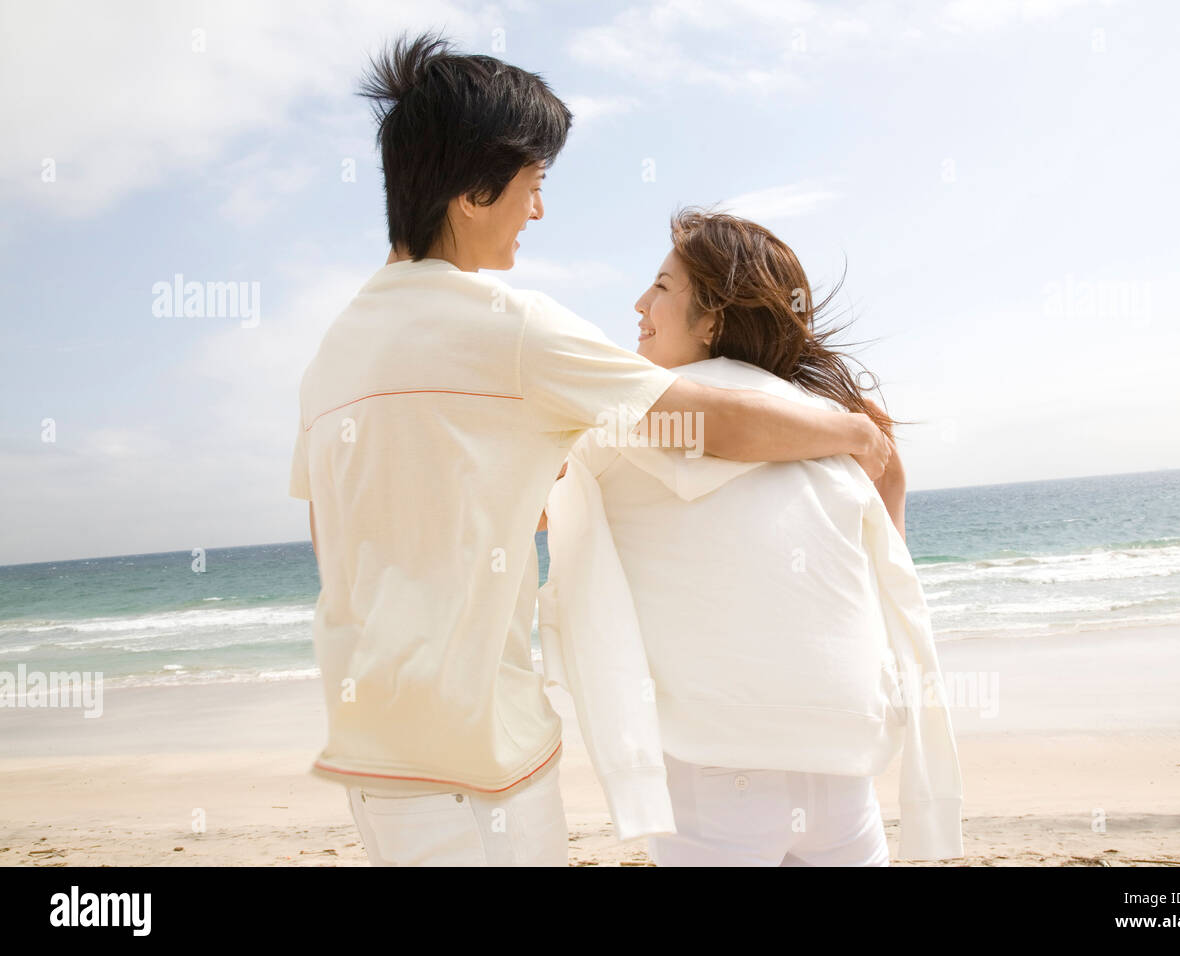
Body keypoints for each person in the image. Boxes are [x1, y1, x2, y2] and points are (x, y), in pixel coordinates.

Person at [288, 34, 895, 867]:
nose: (537, 212)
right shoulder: (510, 331)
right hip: (483, 748)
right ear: (474, 191)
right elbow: (703, 424)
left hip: (372, 750)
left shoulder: (328, 359)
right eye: (534, 186)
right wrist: (855, 432)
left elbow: (345, 537)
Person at [539, 209, 963, 866]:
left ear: (711, 320)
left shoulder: (633, 420)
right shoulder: (832, 420)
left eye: (660, 287)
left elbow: (529, 501)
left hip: (717, 764)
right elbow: (890, 565)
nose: (639, 304)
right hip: (841, 757)